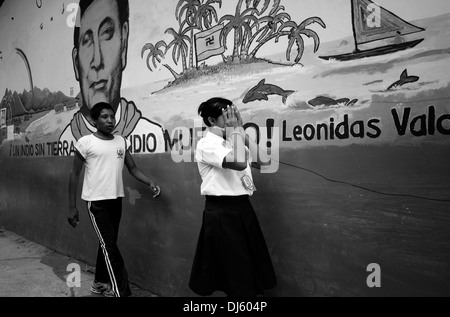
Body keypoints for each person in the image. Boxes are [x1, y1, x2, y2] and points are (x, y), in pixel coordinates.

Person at [67, 102, 161, 297]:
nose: (110, 120)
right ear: (94, 120)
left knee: (107, 244)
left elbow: (132, 168)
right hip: (96, 202)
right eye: (104, 117)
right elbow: (74, 174)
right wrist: (72, 207)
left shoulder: (121, 141)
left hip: (115, 200)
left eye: (112, 116)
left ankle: (99, 283)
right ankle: (122, 292)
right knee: (109, 246)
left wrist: (149, 181)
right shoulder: (86, 142)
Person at [189, 97, 277, 297]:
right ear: (212, 121)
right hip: (222, 213)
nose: (235, 119)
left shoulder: (234, 139)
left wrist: (242, 134)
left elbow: (264, 162)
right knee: (235, 275)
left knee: (247, 271)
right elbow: (238, 162)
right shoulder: (206, 144)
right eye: (229, 115)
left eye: (236, 114)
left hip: (243, 210)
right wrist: (236, 132)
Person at [59, 0, 165, 154]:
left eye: (107, 33)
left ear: (124, 43)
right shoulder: (68, 141)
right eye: (87, 41)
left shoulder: (150, 135)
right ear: (76, 63)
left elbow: (133, 168)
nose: (97, 61)